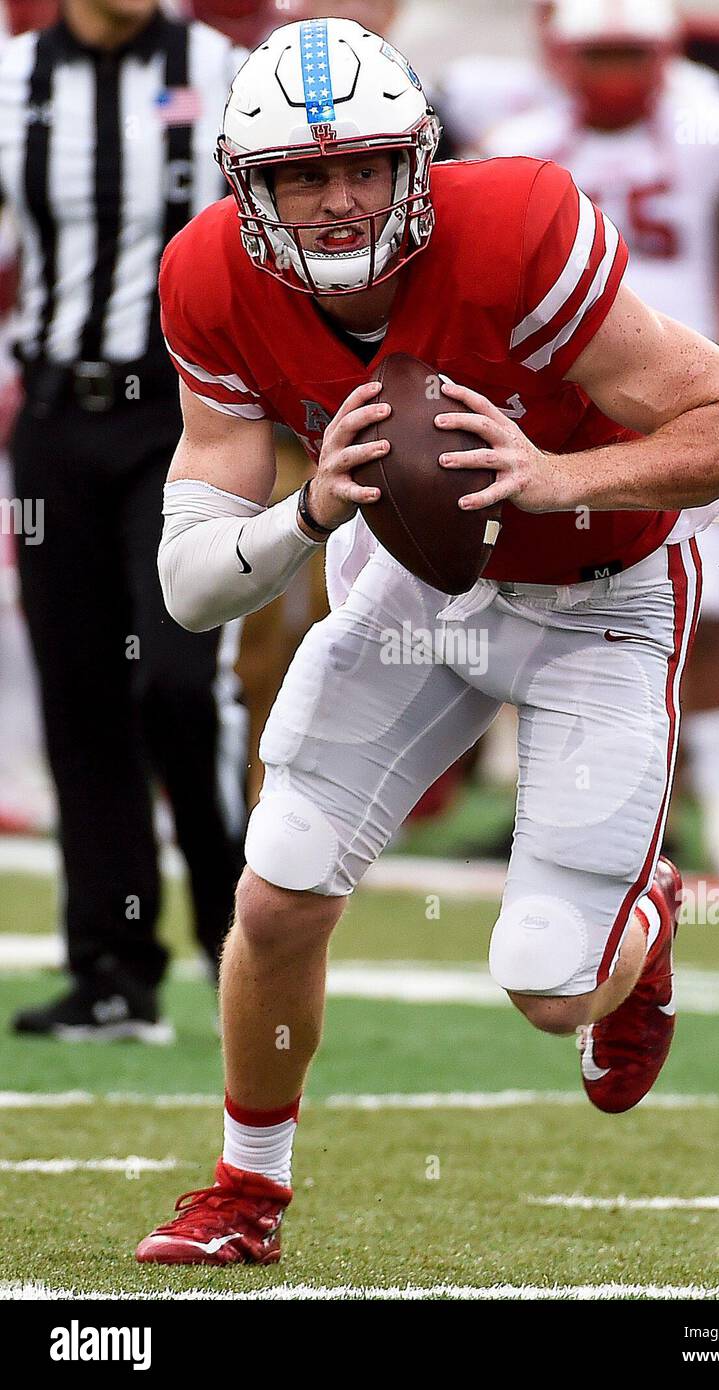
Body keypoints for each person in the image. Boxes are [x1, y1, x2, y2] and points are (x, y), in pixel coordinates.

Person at [134, 18, 719, 1264]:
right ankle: (245, 1191)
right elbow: (187, 588)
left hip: (607, 592)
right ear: (247, 184)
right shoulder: (210, 276)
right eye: (301, 175)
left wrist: (550, 477)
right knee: (276, 890)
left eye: (366, 168)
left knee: (549, 990)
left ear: (419, 162)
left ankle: (636, 936)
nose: (338, 203)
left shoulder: (517, 231)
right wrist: (310, 508)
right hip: (406, 586)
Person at [481, 0, 719, 879]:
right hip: (564, 402)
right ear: (561, 54)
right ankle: (551, 811)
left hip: (686, 398)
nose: (612, 71)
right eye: (596, 52)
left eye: (627, 53)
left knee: (707, 610)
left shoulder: (709, 122)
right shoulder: (520, 132)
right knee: (539, 606)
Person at [0, 0, 248, 1039]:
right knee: (81, 694)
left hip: (179, 418)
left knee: (181, 682)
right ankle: (112, 969)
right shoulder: (13, 84)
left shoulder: (226, 70)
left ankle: (244, 936)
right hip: (55, 421)